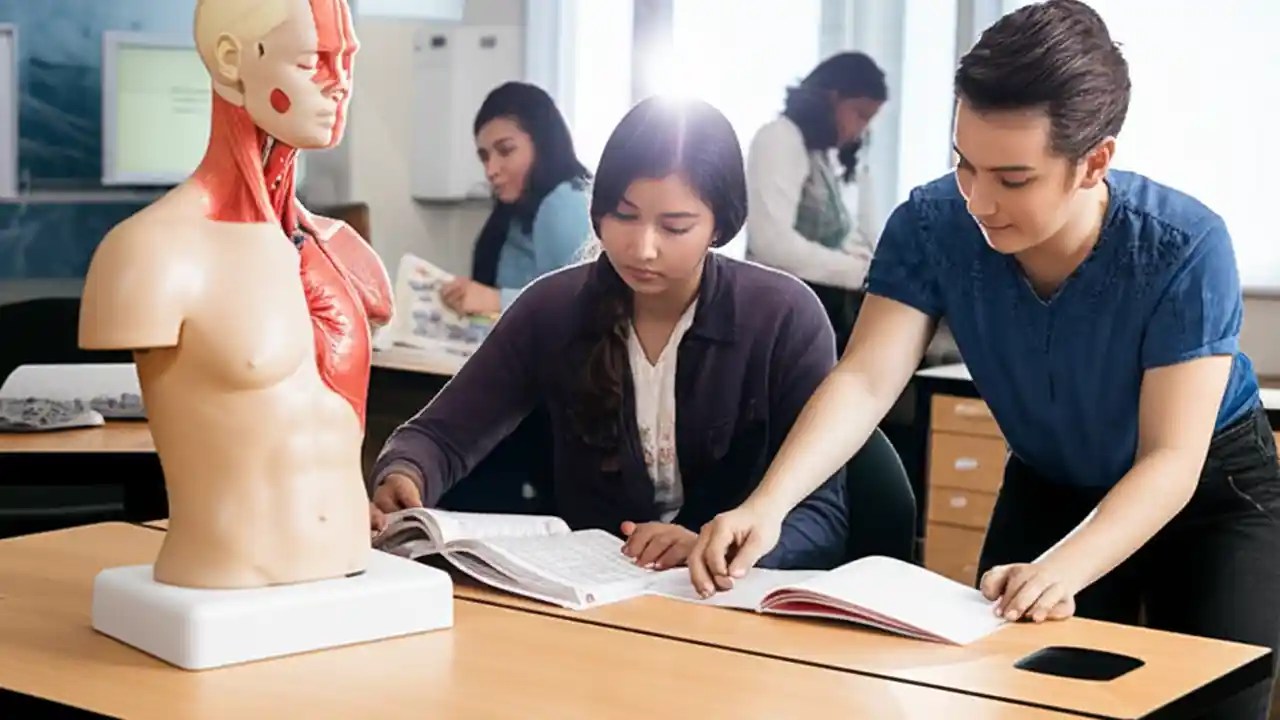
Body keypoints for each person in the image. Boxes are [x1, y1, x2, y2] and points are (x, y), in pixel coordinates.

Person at [690, 2, 1280, 718]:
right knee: (1007, 698)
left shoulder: (1183, 245)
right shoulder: (932, 223)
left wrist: (1062, 571)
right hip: (1054, 481)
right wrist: (769, 504)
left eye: (1013, 178)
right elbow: (868, 377)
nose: (978, 199)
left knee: (1215, 701)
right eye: (965, 163)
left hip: (1210, 495)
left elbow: (1169, 462)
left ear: (1094, 162)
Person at [369, 96, 848, 572]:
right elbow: (441, 435)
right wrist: (405, 473)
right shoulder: (553, 308)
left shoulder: (783, 317)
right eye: (623, 216)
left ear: (719, 224)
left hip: (727, 606)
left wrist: (715, 547)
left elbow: (822, 516)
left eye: (675, 227)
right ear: (597, 210)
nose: (642, 248)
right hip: (589, 601)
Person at [78, 0, 391, 588]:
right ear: (231, 61)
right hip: (223, 581)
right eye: (311, 62)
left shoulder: (345, 253)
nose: (338, 84)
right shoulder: (150, 254)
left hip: (352, 573)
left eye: (345, 61)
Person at [745, 52, 888, 352]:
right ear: (832, 98)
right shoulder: (779, 139)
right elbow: (771, 245)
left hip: (814, 308)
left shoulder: (819, 157)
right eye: (860, 115)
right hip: (776, 317)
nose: (861, 130)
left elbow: (837, 239)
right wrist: (859, 272)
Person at [440, 81, 592, 316]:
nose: (491, 170)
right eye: (484, 157)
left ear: (542, 145)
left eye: (505, 151)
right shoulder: (516, 207)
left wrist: (496, 300)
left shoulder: (564, 204)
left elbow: (582, 305)